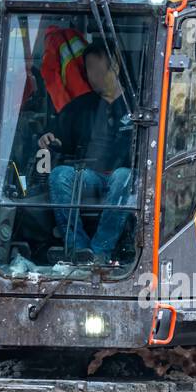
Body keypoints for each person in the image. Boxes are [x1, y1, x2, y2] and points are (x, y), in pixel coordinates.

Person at [38, 41, 134, 262]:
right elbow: (56, 135)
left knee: (123, 176)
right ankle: (78, 250)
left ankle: (100, 252)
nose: (90, 75)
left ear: (115, 67)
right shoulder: (80, 106)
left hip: (125, 178)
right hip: (88, 176)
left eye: (95, 67)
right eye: (87, 69)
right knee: (60, 174)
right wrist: (47, 137)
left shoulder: (137, 106)